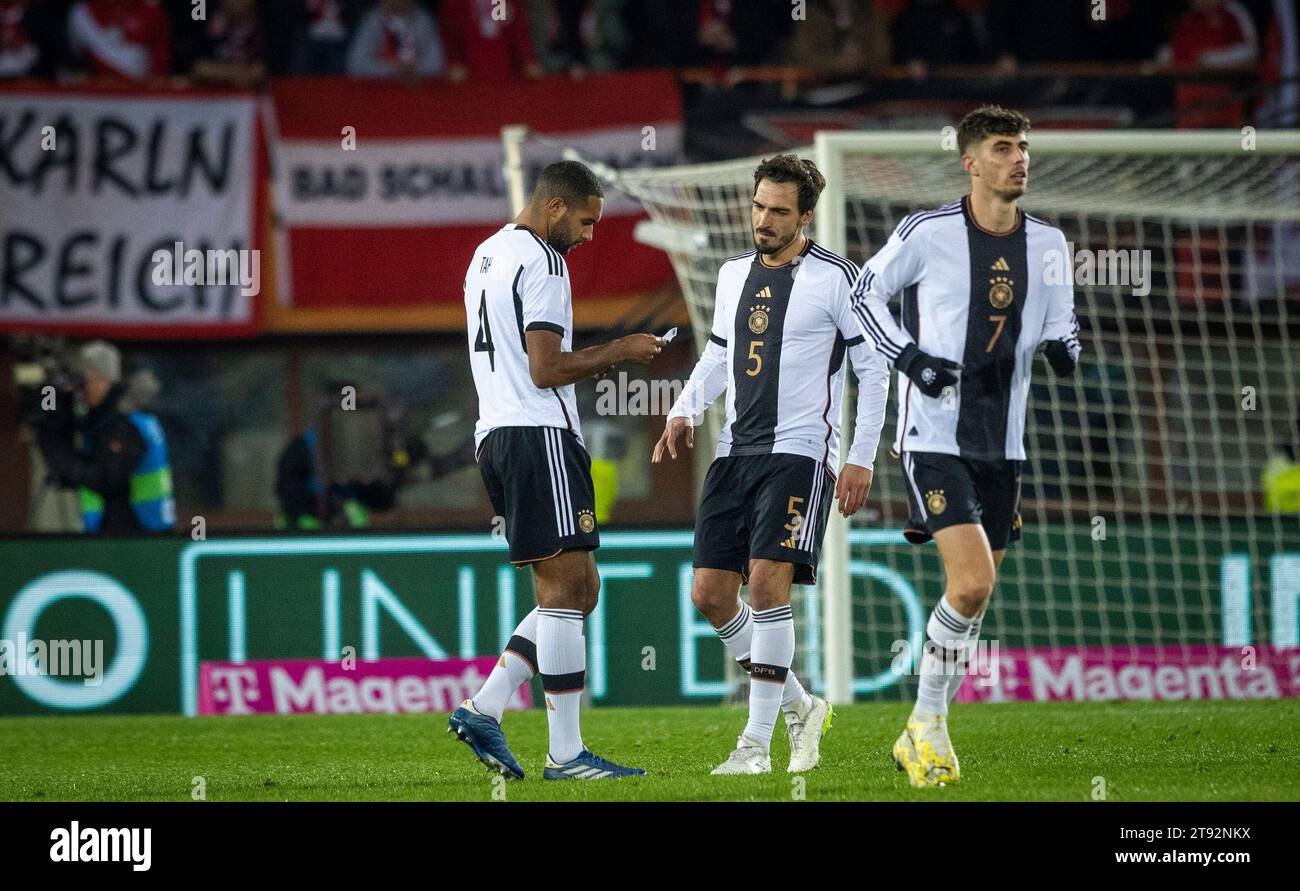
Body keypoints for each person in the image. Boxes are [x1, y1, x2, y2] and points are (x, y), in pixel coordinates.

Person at [850, 105, 1081, 787]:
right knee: (972, 582)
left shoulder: (1050, 242)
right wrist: (908, 358)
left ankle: (921, 732)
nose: (1020, 158)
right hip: (932, 434)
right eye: (1004, 147)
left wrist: (1068, 351)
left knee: (974, 597)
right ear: (970, 161)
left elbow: (1064, 324)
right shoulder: (928, 232)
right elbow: (864, 293)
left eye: (1024, 147)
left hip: (1004, 441)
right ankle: (927, 723)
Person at [653, 154, 889, 775]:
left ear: (804, 215)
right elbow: (718, 354)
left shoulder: (841, 278)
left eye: (778, 211)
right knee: (709, 594)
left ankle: (755, 744)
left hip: (800, 453)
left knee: (764, 585)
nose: (763, 219)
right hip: (734, 452)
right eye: (758, 206)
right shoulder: (732, 275)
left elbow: (873, 370)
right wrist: (683, 409)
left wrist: (860, 458)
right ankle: (802, 705)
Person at [448, 160, 661, 781]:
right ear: (555, 207)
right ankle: (565, 755)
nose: (591, 235)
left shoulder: (484, 255)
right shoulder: (544, 259)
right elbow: (544, 369)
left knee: (581, 588)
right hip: (537, 432)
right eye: (588, 221)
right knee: (566, 592)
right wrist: (620, 352)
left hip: (500, 434)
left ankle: (485, 706)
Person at [37, 341, 176, 534]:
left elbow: (107, 479)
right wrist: (56, 409)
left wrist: (66, 460)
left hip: (137, 532)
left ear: (105, 381)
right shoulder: (104, 418)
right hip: (120, 530)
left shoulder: (126, 423)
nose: (84, 389)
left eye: (89, 380)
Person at [346, 0, 443, 80]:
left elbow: (436, 64)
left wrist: (411, 70)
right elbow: (356, 65)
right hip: (379, 91)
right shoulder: (372, 22)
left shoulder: (423, 21)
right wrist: (391, 69)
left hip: (415, 90)